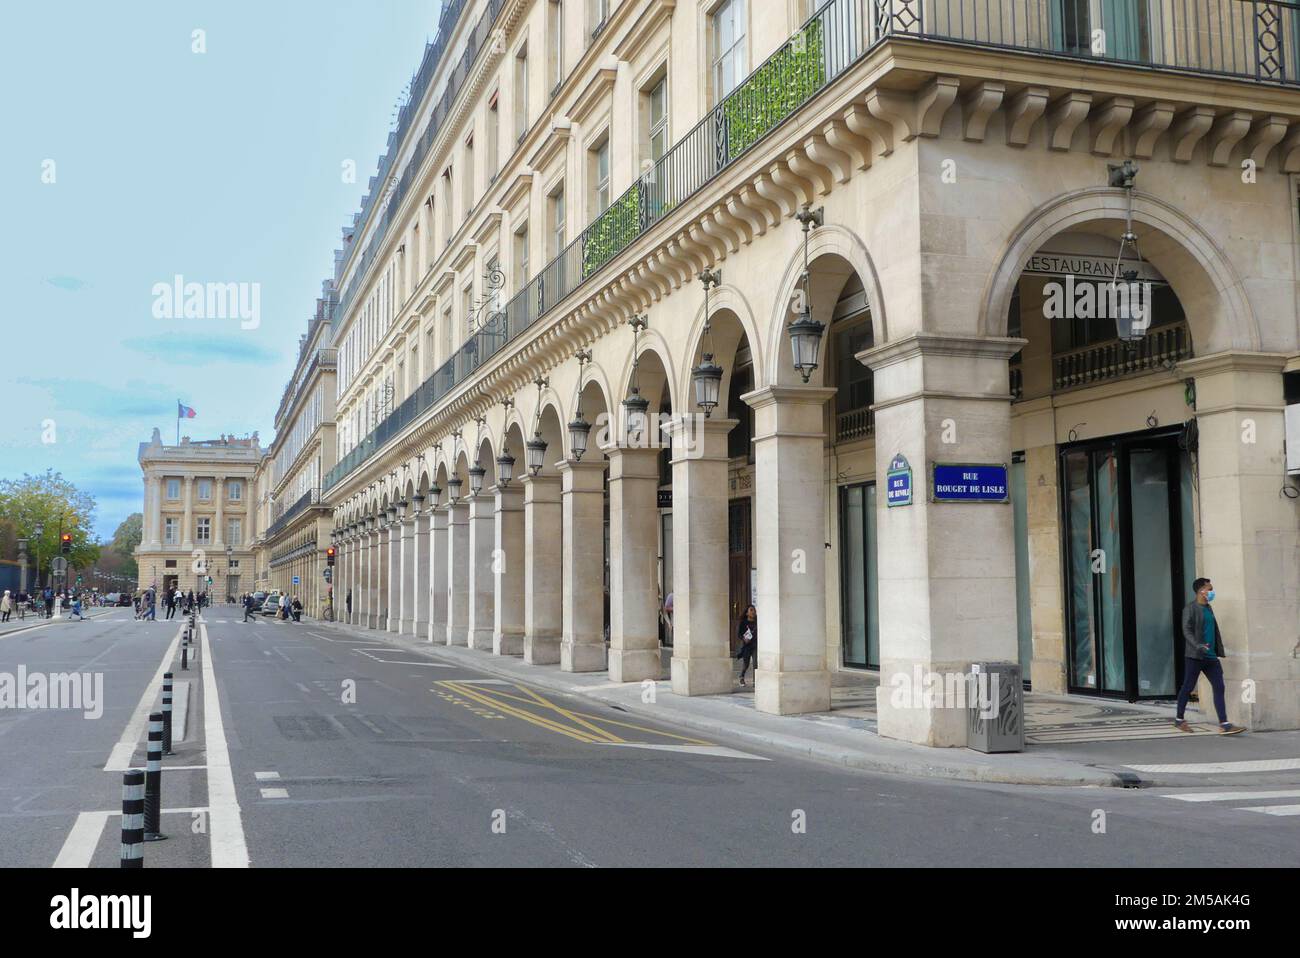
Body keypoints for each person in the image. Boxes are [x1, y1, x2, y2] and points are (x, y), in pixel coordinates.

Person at [1175, 577, 1246, 735]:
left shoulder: (1209, 608)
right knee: (1187, 687)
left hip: (1211, 657)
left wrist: (1216, 649)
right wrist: (1197, 645)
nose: (1212, 591)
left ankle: (1224, 724)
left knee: (1219, 687)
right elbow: (1186, 630)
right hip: (1195, 656)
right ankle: (1179, 719)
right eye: (1209, 588)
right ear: (1201, 591)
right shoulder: (1190, 609)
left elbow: (1213, 631)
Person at [735, 604, 758, 687]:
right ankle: (741, 676)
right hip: (747, 646)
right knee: (746, 664)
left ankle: (756, 681)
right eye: (751, 610)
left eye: (754, 610)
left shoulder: (758, 622)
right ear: (747, 613)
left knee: (756, 663)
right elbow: (739, 634)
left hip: (755, 645)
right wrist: (744, 639)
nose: (753, 612)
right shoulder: (743, 622)